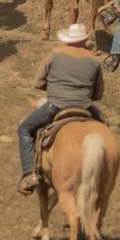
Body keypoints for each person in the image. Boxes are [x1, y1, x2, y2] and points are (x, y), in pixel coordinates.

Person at [19, 22, 105, 195]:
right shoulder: (94, 60)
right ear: (84, 41)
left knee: (25, 129)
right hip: (85, 108)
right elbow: (98, 94)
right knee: (105, 129)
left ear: (68, 40)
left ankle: (30, 174)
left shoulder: (55, 54)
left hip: (55, 106)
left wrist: (54, 88)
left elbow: (38, 82)